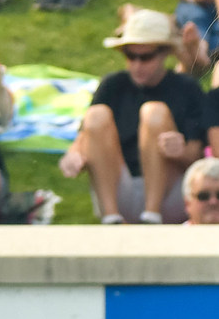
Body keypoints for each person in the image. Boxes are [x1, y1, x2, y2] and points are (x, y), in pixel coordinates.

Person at [61, 11, 207, 224]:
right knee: (96, 115)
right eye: (130, 56)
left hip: (171, 190)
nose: (137, 65)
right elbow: (85, 136)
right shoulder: (112, 85)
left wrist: (180, 152)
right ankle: (111, 219)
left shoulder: (186, 88)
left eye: (146, 57)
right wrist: (73, 155)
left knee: (154, 112)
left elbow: (197, 156)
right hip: (121, 186)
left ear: (165, 53)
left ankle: (152, 214)